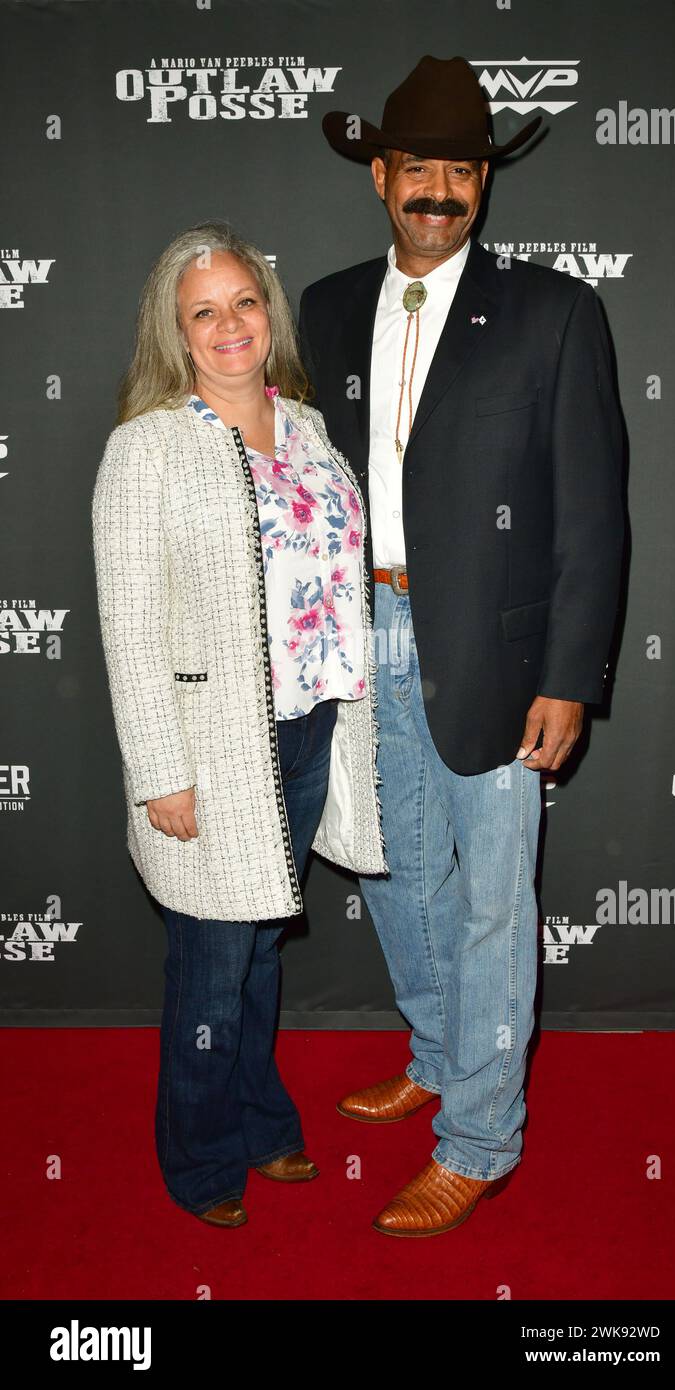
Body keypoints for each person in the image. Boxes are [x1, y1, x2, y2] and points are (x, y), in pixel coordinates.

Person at [298, 55, 626, 1237]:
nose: (439, 189)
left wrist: (566, 677)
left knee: (491, 899)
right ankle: (438, 1054)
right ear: (378, 175)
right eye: (417, 167)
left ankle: (479, 1138)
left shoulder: (553, 312)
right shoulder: (326, 306)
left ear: (484, 182)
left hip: (495, 650)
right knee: (392, 872)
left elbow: (591, 514)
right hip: (360, 636)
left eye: (462, 171)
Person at [91, 221, 387, 1228]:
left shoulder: (306, 428)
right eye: (203, 311)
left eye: (244, 302)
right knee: (213, 971)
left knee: (259, 951)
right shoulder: (146, 449)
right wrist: (159, 770)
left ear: (270, 312)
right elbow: (130, 626)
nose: (229, 325)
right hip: (212, 753)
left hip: (306, 735)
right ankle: (201, 1153)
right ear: (175, 333)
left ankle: (261, 1119)